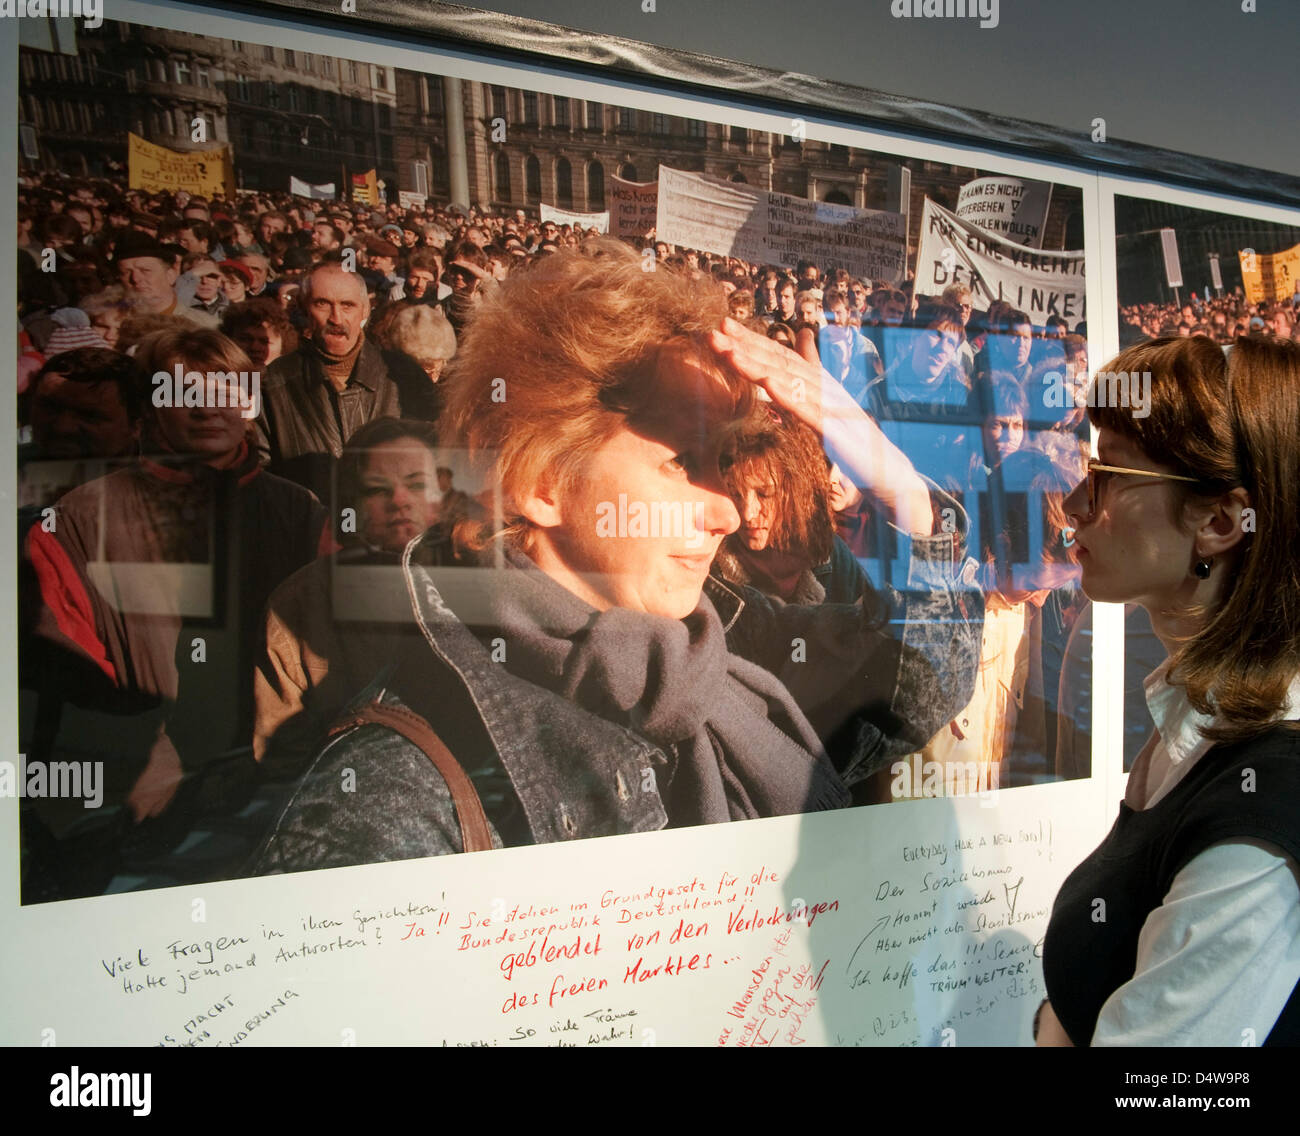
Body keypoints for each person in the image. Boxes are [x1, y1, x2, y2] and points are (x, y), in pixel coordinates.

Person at [252, 240, 980, 872]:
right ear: (538, 478)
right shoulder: (392, 806)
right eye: (680, 462)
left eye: (722, 460)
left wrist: (902, 491)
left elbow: (903, 693)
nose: (726, 510)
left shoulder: (718, 639)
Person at [1038, 335, 1300, 1046]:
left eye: (1109, 475)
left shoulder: (1268, 799)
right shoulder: (1196, 715)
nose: (1072, 503)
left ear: (1218, 522)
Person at [255, 262, 430, 502]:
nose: (336, 318)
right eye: (322, 304)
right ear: (305, 309)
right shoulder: (272, 384)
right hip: (309, 532)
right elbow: (259, 477)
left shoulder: (404, 376)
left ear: (365, 311)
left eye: (347, 305)